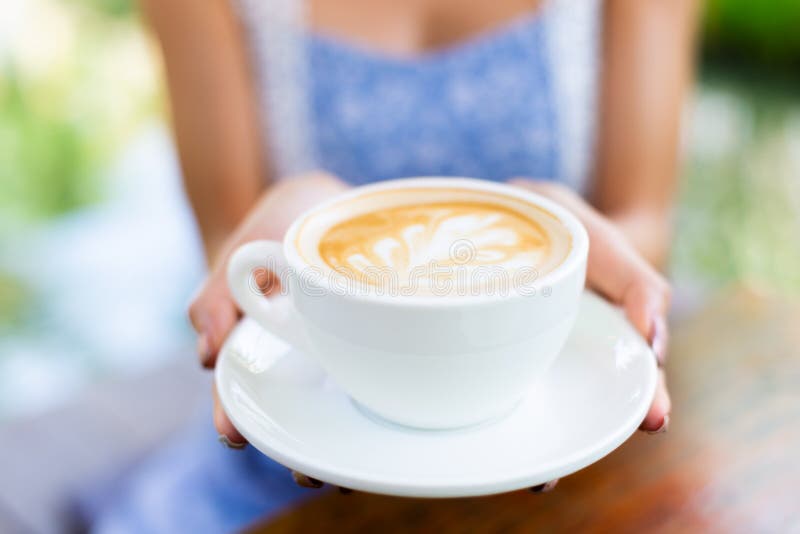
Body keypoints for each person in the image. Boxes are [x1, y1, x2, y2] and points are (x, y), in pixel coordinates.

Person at [92, 0, 698, 530]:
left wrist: (586, 244)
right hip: (304, 432)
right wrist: (291, 221)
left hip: (558, 426)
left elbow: (643, 219)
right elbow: (231, 239)